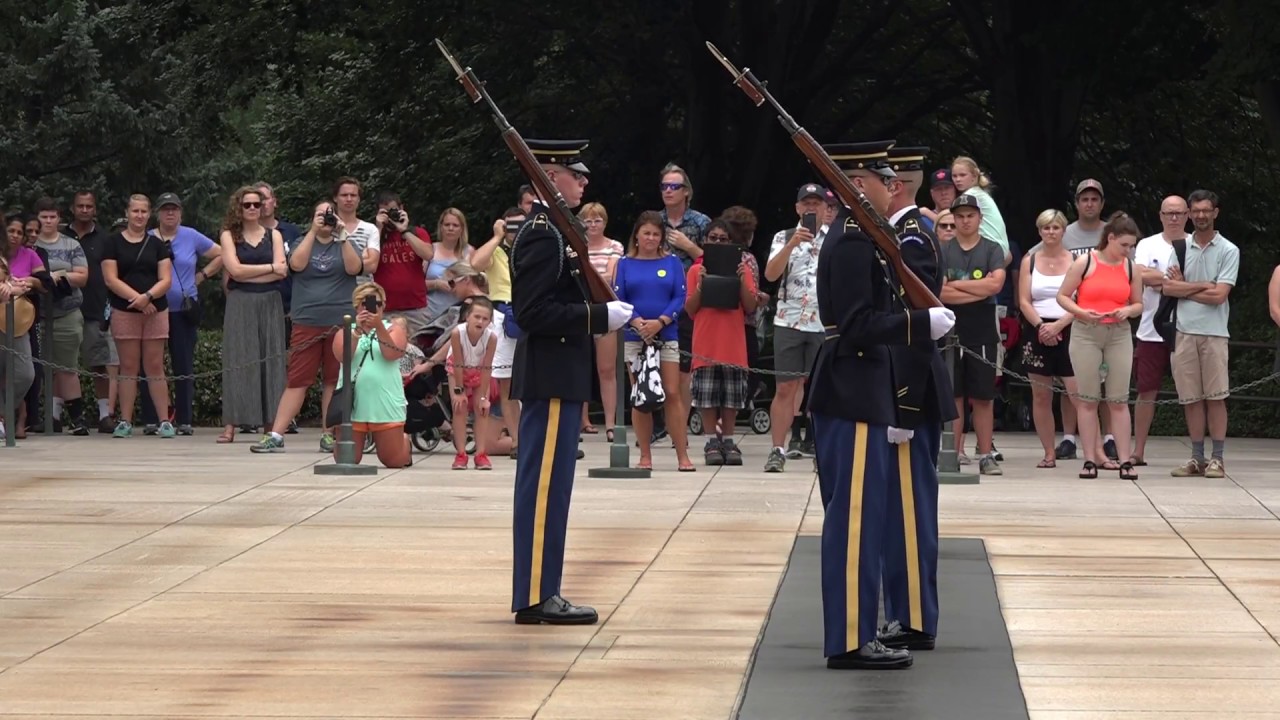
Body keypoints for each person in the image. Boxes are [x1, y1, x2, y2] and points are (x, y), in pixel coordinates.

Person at [808, 140, 956, 670]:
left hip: (866, 389)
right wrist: (920, 323)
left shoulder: (869, 237)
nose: (889, 187)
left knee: (867, 520)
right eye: (880, 179)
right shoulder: (851, 240)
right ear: (858, 185)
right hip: (852, 388)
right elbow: (854, 325)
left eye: (892, 179)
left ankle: (862, 628)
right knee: (853, 521)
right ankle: (850, 638)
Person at [508, 138, 632, 625]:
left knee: (553, 489)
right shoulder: (543, 233)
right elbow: (533, 312)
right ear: (550, 177)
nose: (583, 182)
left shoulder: (557, 230)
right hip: (551, 376)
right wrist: (598, 314)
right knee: (544, 490)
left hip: (560, 375)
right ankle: (538, 596)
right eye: (574, 174)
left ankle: (543, 589)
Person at [250, 200, 363, 453]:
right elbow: (296, 265)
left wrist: (342, 235)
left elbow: (355, 267)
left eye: (329, 215)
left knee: (334, 380)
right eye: (320, 215)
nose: (325, 219)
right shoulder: (302, 241)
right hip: (307, 320)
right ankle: (276, 434)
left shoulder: (346, 242)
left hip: (340, 321)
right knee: (298, 380)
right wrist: (313, 231)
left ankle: (328, 433)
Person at [1055, 212, 1144, 480]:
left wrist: (1127, 311)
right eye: (1124, 245)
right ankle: (1090, 460)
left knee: (1118, 399)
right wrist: (1081, 312)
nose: (1128, 251)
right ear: (1111, 238)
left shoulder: (1130, 268)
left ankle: (1126, 460)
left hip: (1117, 332)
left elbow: (1139, 303)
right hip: (1087, 331)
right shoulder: (1086, 262)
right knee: (1088, 399)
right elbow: (1062, 296)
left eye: (1132, 246)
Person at [1161, 190, 1238, 478]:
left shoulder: (1229, 250)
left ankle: (1217, 458)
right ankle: (1196, 458)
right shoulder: (1180, 247)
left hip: (1215, 333)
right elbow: (1168, 288)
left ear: (1216, 212)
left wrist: (1187, 287)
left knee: (1216, 396)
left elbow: (1220, 295)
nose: (1201, 215)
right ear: (1190, 214)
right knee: (1190, 398)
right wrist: (1203, 285)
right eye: (1196, 210)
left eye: (1207, 210)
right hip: (1183, 331)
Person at [613, 211, 693, 471]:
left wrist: (661, 321)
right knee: (641, 394)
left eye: (656, 234)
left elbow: (679, 298)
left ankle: (682, 455)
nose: (650, 238)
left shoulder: (672, 263)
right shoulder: (624, 263)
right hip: (635, 336)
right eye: (646, 233)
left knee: (671, 392)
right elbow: (618, 298)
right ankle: (645, 455)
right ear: (637, 234)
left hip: (666, 334)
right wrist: (637, 321)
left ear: (661, 238)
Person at [684, 219, 758, 467]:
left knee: (731, 397)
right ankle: (709, 440)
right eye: (712, 238)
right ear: (705, 241)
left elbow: (750, 306)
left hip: (733, 341)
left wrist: (741, 280)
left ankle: (728, 438)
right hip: (706, 341)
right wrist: (701, 285)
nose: (717, 242)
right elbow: (690, 309)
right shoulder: (696, 270)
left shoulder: (742, 269)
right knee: (706, 396)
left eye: (722, 239)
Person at [218, 186, 287, 444]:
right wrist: (269, 267)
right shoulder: (228, 235)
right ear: (239, 206)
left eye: (256, 204)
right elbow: (234, 271)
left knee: (271, 360)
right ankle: (230, 425)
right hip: (240, 301)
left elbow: (284, 272)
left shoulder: (274, 235)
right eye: (247, 204)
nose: (252, 209)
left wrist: (255, 271)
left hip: (270, 300)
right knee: (238, 359)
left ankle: (272, 423)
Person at [101, 195, 174, 438]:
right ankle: (125, 420)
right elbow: (111, 279)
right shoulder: (112, 243)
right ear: (127, 212)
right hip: (125, 309)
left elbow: (165, 279)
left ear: (149, 214)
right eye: (135, 211)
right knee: (128, 366)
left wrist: (148, 297)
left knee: (155, 366)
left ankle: (164, 420)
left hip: (155, 309)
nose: (139, 216)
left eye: (144, 211)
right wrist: (138, 300)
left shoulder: (157, 244)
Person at [1017, 210, 1078, 468]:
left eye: (1055, 227)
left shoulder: (1077, 261)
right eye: (1045, 228)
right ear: (1039, 231)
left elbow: (1081, 298)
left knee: (1079, 395)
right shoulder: (1029, 261)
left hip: (1071, 326)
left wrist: (1061, 324)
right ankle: (1048, 452)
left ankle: (1094, 450)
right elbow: (1023, 300)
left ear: (1063, 230)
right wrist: (1043, 327)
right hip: (1038, 327)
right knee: (1041, 396)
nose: (1050, 232)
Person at [331, 282, 411, 468]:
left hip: (384, 400)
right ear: (357, 306)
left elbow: (392, 353)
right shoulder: (346, 330)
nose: (371, 309)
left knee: (394, 461)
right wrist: (357, 330)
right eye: (364, 304)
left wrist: (378, 327)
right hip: (351, 401)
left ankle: (403, 440)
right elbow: (343, 356)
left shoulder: (393, 329)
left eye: (377, 304)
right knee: (347, 460)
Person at [446, 296, 498, 470]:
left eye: (485, 318)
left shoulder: (491, 338)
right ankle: (461, 453)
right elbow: (458, 363)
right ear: (467, 317)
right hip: (458, 370)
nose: (480, 321)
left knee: (482, 409)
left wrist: (483, 396)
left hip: (479, 371)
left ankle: (480, 454)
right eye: (477, 317)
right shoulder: (457, 333)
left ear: (490, 321)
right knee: (459, 408)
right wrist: (460, 391)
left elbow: (487, 367)